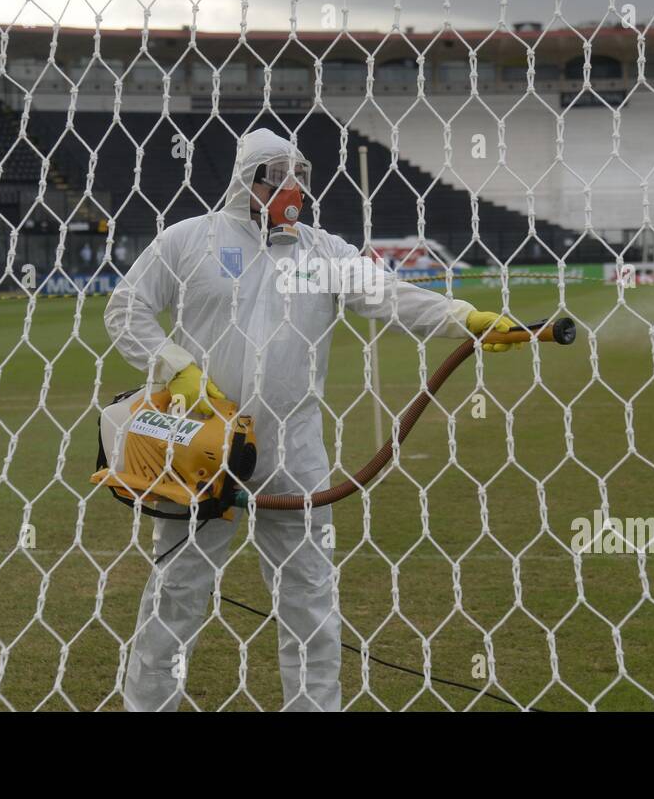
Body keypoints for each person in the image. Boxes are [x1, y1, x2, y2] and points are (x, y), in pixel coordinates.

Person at [104, 127, 520, 711]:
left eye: (299, 173)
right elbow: (126, 310)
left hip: (293, 450)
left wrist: (464, 318)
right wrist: (176, 368)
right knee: (177, 590)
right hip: (199, 445)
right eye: (278, 173)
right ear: (247, 179)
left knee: (309, 595)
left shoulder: (322, 253)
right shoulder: (188, 241)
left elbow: (388, 293)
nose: (292, 186)